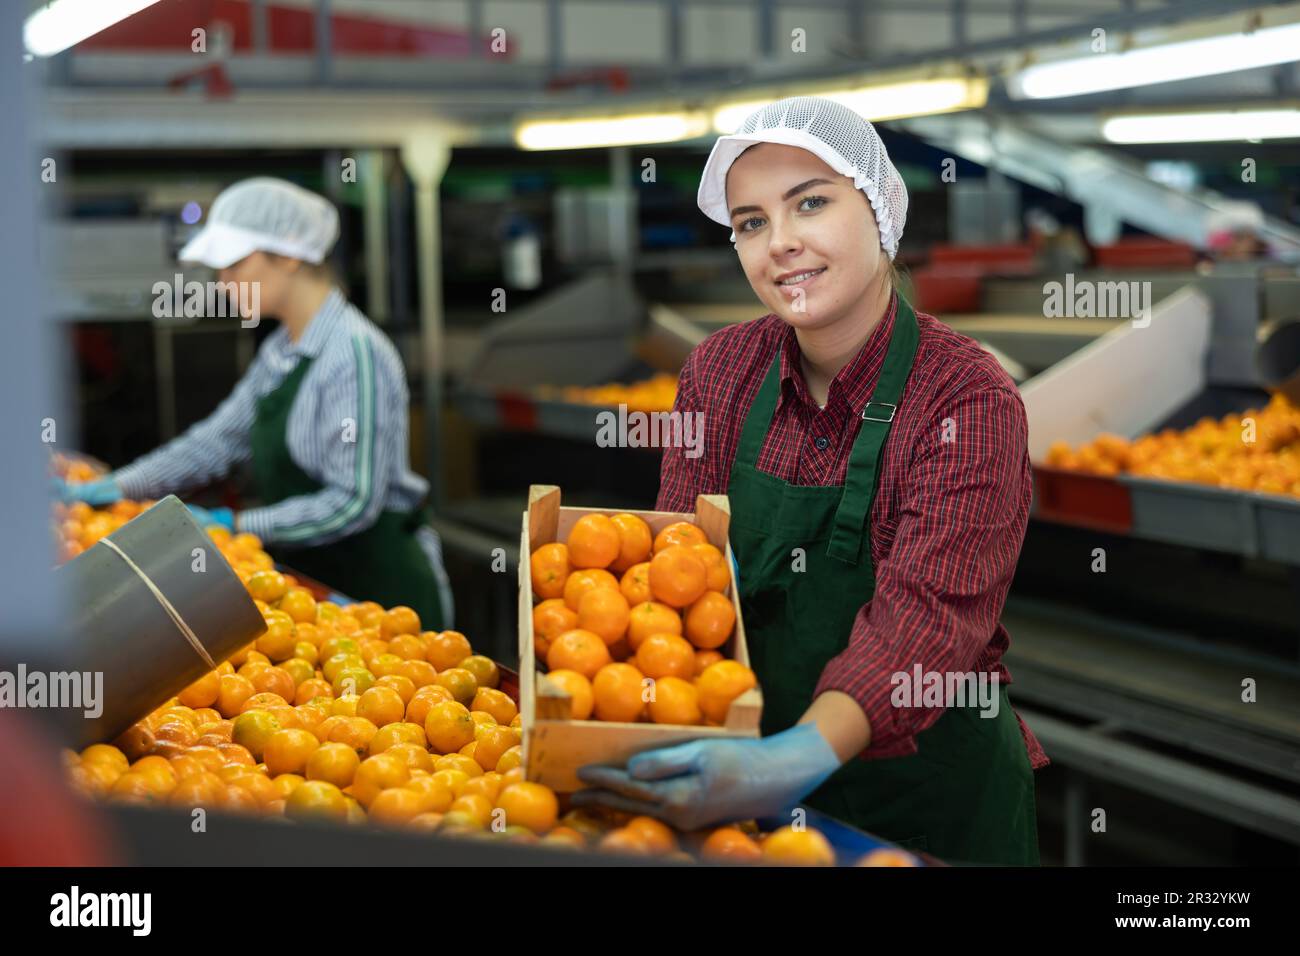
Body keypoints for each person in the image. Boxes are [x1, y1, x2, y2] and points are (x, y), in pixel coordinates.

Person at [574, 97, 1047, 865]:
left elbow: (927, 620)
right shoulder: (720, 371)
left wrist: (791, 758)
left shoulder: (967, 400)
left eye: (812, 203)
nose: (781, 244)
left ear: (881, 209)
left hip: (926, 801)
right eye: (751, 223)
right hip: (741, 781)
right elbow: (681, 567)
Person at [57, 177, 453, 629]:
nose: (223, 283)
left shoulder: (353, 353)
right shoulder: (282, 350)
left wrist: (237, 523)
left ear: (287, 255)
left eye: (232, 266)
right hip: (316, 585)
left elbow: (352, 502)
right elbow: (218, 440)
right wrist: (124, 485)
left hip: (383, 591)